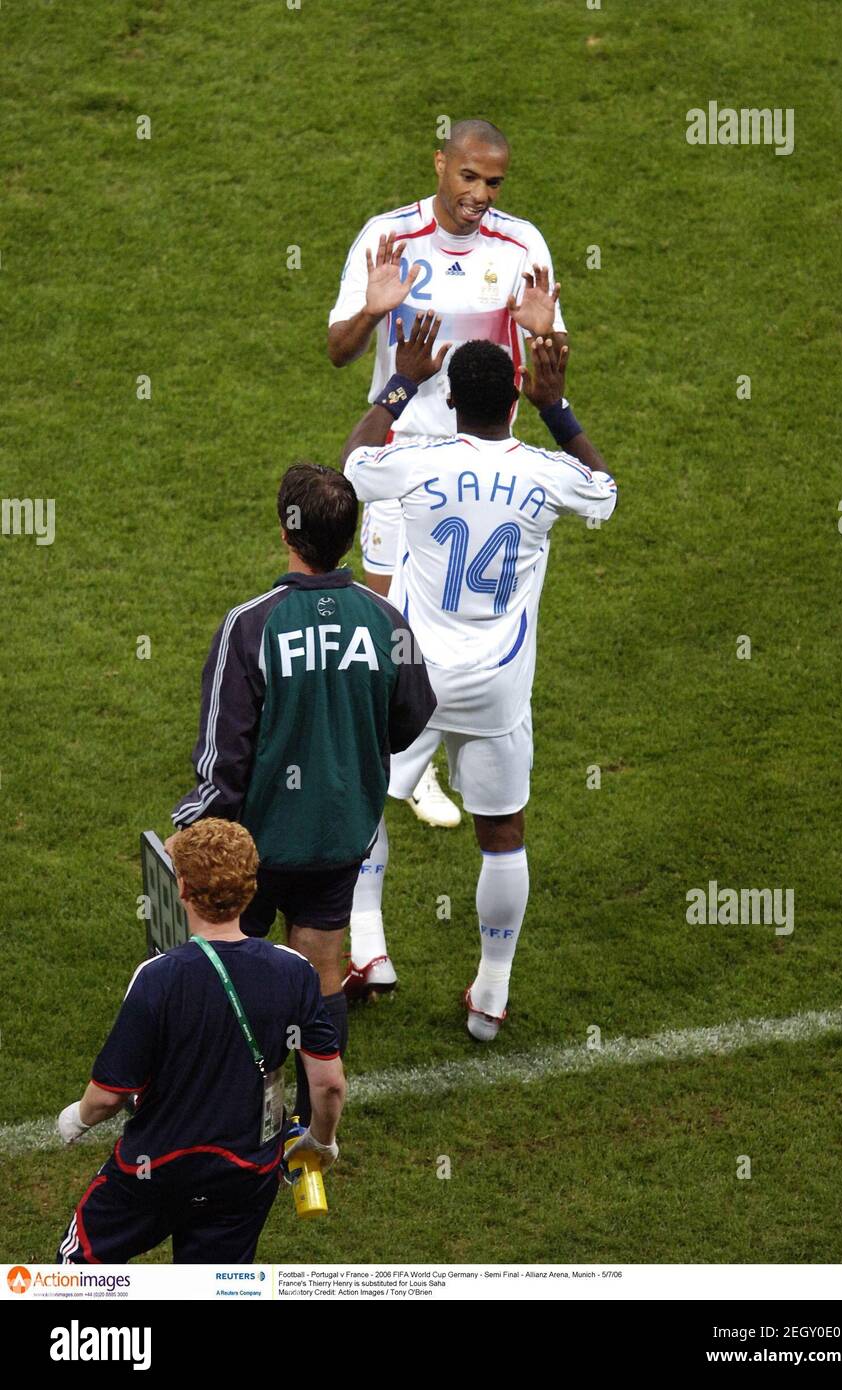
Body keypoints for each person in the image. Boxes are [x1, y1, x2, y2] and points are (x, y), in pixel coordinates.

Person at [342, 315, 618, 1039]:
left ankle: (369, 951)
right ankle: (490, 996)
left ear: (451, 399)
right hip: (496, 687)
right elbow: (605, 490)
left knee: (365, 803)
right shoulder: (547, 475)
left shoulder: (420, 462)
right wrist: (560, 408)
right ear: (516, 400)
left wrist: (400, 381)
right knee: (502, 834)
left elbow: (351, 465)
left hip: (413, 676)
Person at [170, 464, 436, 1112]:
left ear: (288, 531)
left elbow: (222, 761)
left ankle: (249, 1104)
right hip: (341, 836)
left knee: (237, 973)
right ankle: (321, 1123)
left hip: (257, 843)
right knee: (320, 973)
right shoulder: (386, 621)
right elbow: (412, 716)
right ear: (348, 538)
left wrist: (192, 830)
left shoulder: (250, 625)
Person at [328, 117, 566, 842]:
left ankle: (456, 746)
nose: (479, 195)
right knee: (389, 630)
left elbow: (547, 366)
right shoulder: (388, 237)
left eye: (493, 182)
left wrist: (544, 334)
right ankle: (404, 759)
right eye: (468, 177)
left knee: (469, 619)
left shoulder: (521, 245)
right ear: (439, 164)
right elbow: (338, 350)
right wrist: (370, 313)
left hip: (482, 468)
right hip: (399, 461)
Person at [56, 819, 345, 1264]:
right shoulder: (295, 971)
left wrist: (76, 1119)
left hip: (156, 1168)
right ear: (250, 888)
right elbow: (328, 1084)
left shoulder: (158, 977)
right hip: (246, 1172)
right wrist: (320, 1142)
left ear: (183, 889)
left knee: (73, 1274)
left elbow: (110, 1096)